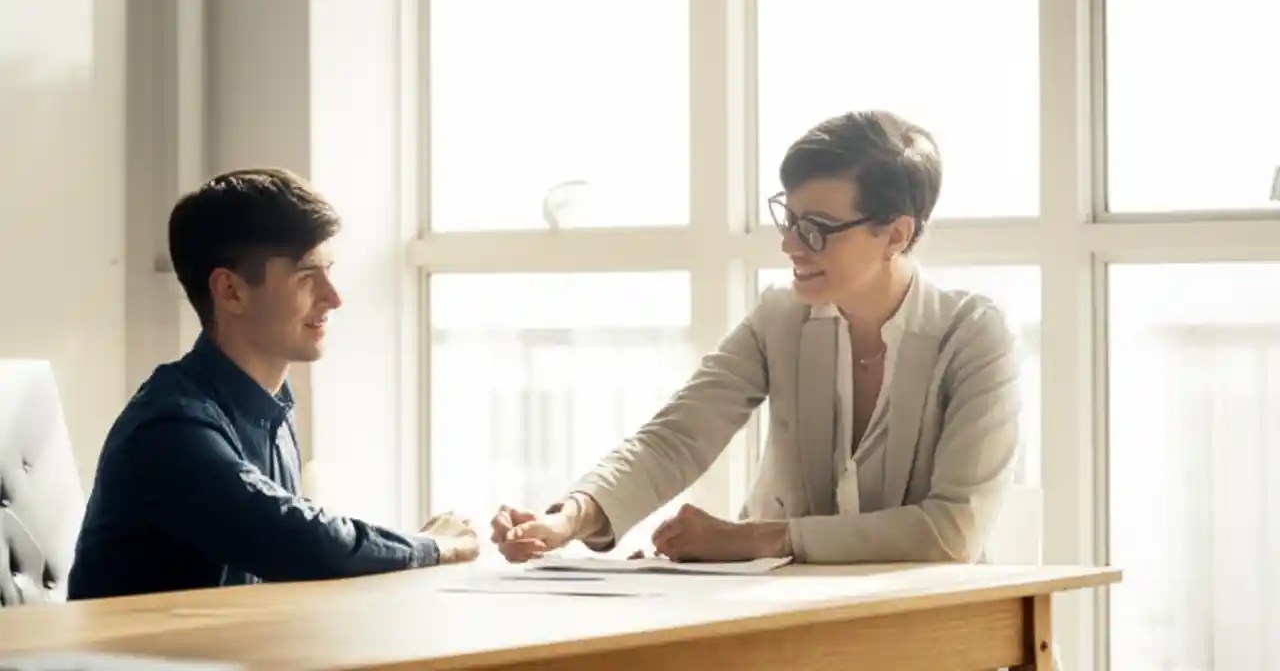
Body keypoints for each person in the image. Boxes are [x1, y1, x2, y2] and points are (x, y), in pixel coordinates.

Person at [491, 110, 1020, 565]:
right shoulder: (781, 318)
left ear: (896, 234)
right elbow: (677, 436)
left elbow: (952, 531)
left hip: (934, 629)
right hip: (786, 616)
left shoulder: (972, 336)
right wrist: (570, 518)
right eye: (789, 219)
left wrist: (757, 539)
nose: (790, 244)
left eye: (816, 227)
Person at [69, 169, 477, 600]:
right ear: (231, 291)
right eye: (306, 276)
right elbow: (304, 542)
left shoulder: (271, 407)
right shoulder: (171, 427)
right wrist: (434, 548)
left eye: (330, 270)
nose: (333, 297)